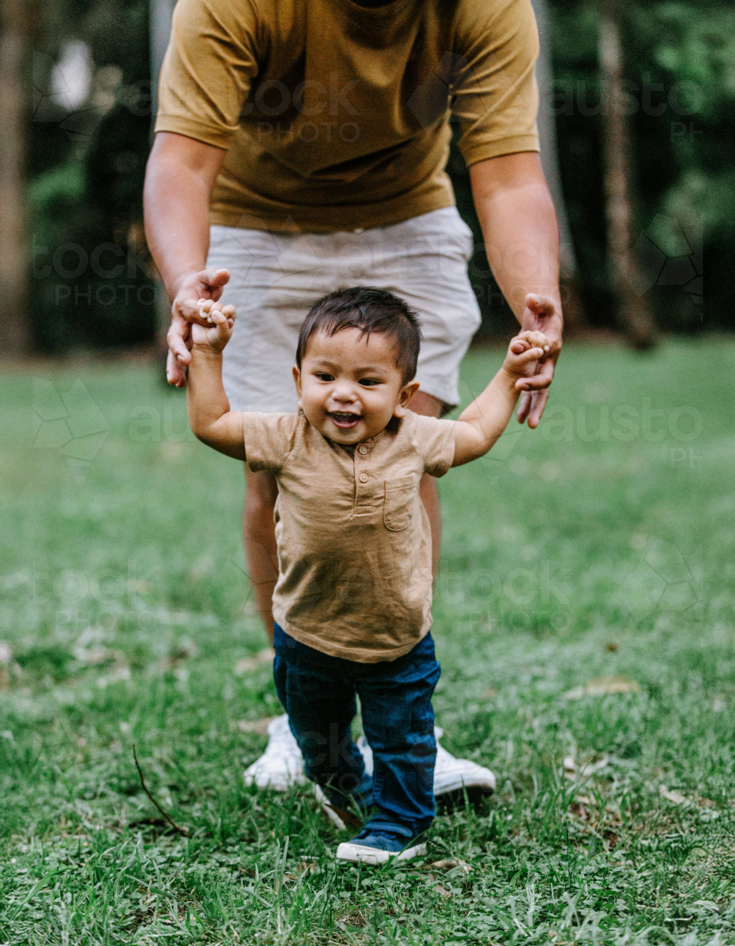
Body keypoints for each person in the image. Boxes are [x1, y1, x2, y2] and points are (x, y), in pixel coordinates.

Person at [143, 0, 564, 798]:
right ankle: (302, 715)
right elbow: (183, 161)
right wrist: (186, 282)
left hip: (408, 216)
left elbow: (507, 171)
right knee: (272, 469)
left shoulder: (485, 7)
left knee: (408, 456)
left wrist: (535, 293)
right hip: (257, 222)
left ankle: (403, 723)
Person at [186, 286, 549, 863]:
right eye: (324, 376)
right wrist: (207, 353)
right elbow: (211, 423)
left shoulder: (413, 438)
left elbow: (477, 433)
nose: (343, 395)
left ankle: (399, 822)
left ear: (404, 395)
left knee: (402, 738)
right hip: (306, 634)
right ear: (299, 378)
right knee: (320, 740)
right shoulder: (286, 437)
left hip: (395, 636)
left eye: (368, 382)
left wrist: (509, 374)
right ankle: (347, 788)